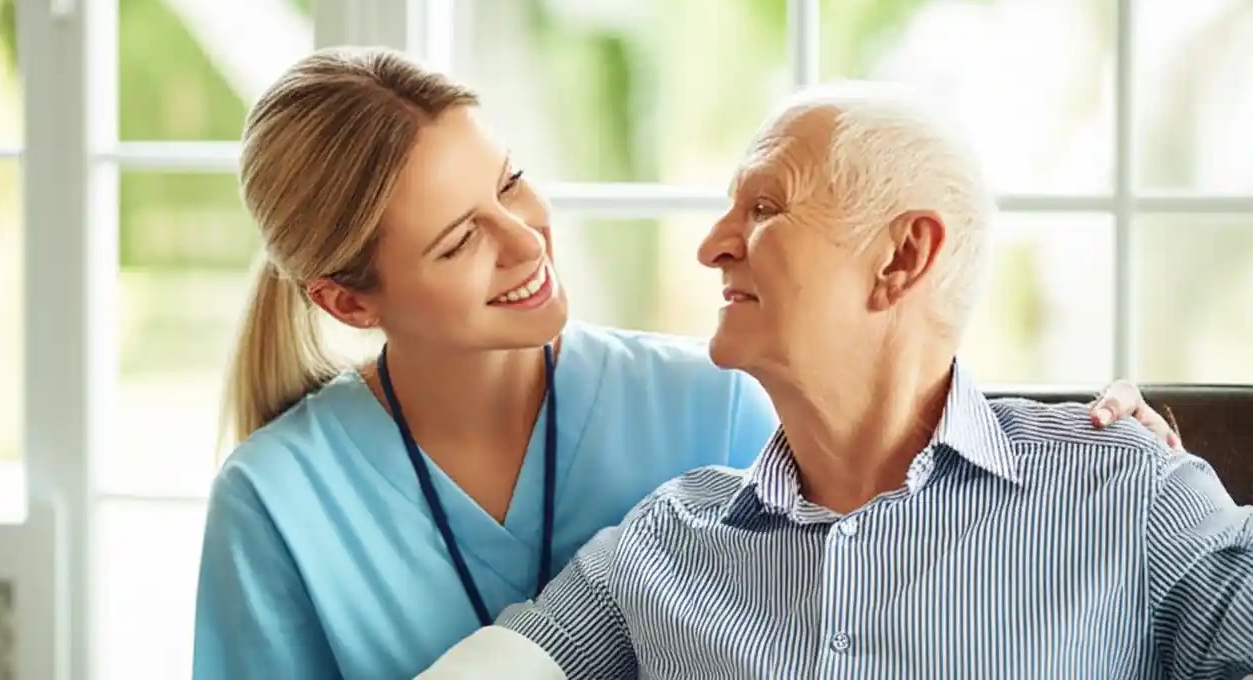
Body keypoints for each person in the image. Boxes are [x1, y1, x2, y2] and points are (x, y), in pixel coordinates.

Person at [191, 48, 1179, 680]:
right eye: (457, 242)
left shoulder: (711, 405)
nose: (527, 241)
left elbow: (892, 434)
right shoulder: (280, 500)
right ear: (346, 301)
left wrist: (1089, 449)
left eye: (512, 184)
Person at [423, 85, 1253, 679]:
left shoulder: (1128, 491)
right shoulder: (665, 541)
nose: (713, 244)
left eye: (764, 208)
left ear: (900, 259)